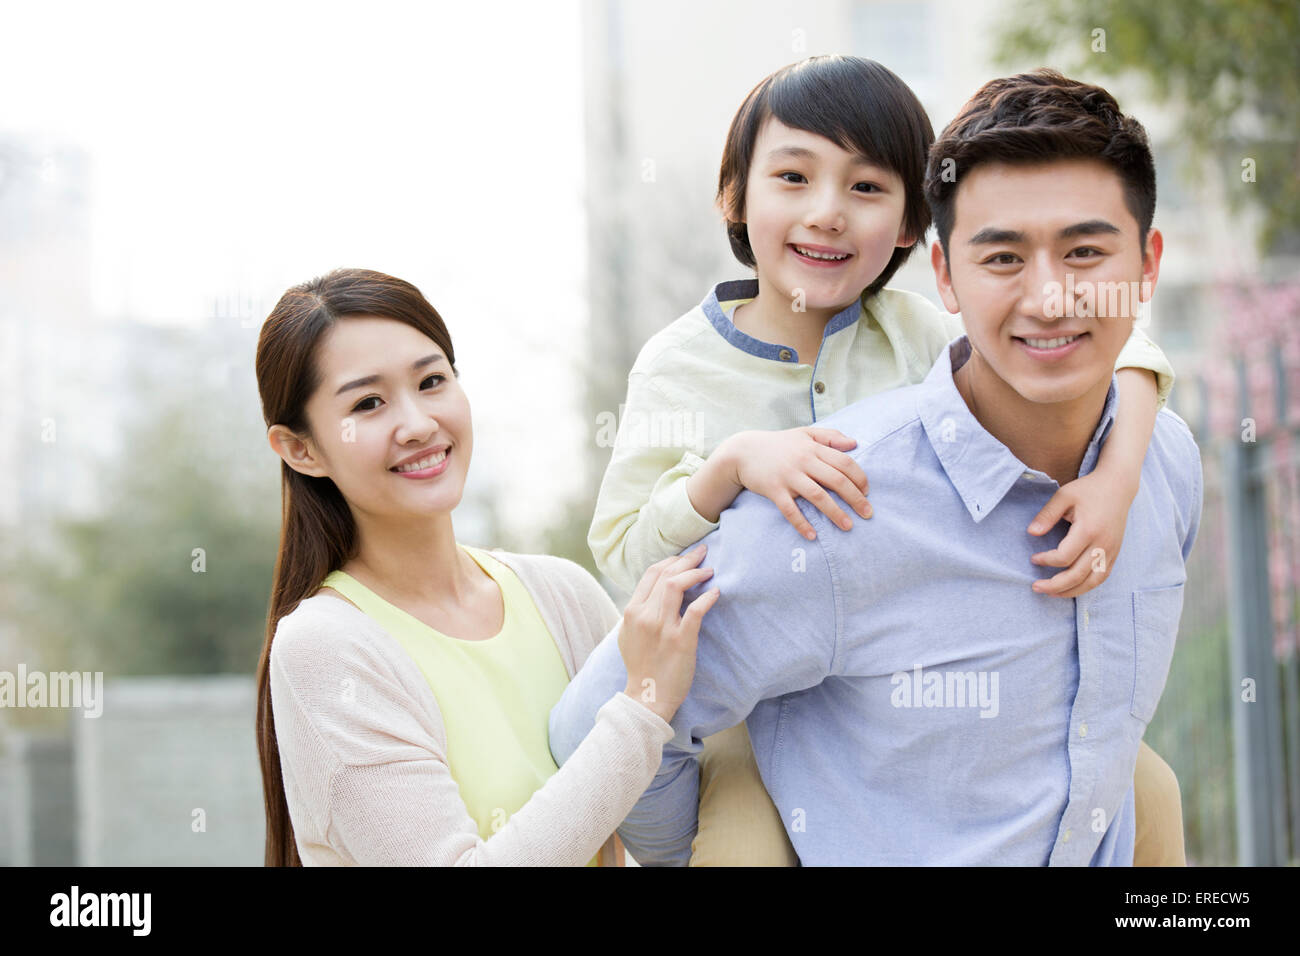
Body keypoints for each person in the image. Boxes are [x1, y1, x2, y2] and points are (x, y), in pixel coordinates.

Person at [552, 68, 1202, 865]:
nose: (827, 212)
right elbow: (622, 559)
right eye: (792, 177)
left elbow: (1104, 346)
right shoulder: (684, 373)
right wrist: (725, 471)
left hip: (961, 747)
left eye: (866, 187)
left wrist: (1122, 473)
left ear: (907, 228)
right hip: (738, 721)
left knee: (1153, 792)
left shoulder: (925, 332)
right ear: (734, 195)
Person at [252, 268, 718, 866]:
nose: (418, 424)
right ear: (301, 449)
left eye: (432, 381)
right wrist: (642, 709)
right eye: (368, 403)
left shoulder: (563, 595)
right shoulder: (326, 648)